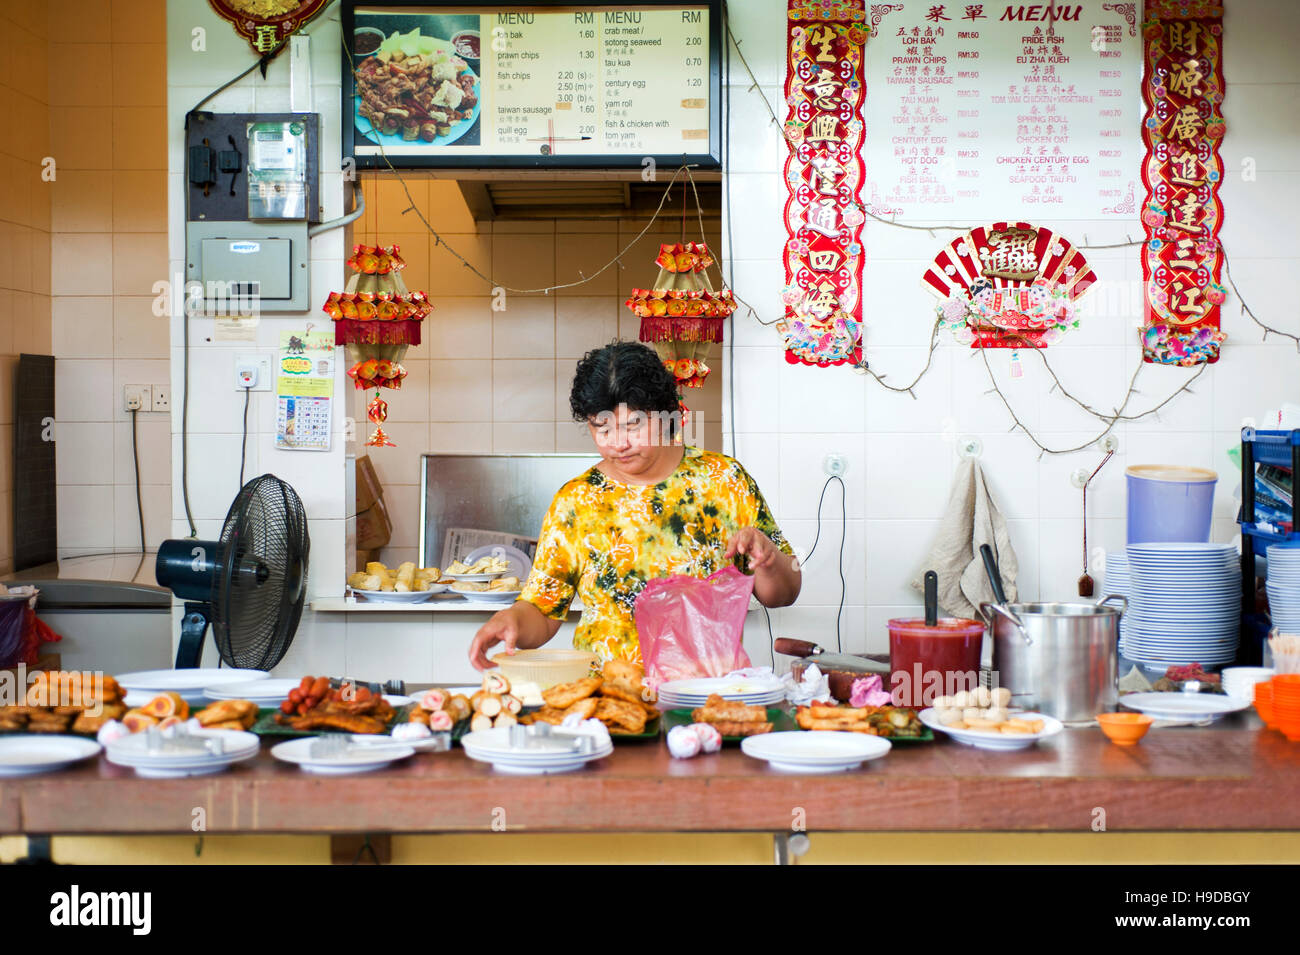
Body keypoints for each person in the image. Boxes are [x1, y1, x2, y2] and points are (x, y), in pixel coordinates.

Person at [468, 341, 800, 670]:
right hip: (611, 699)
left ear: (667, 413)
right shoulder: (577, 501)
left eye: (633, 425)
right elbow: (542, 611)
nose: (619, 443)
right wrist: (510, 618)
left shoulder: (724, 480)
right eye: (603, 428)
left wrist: (768, 560)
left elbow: (783, 594)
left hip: (707, 695)